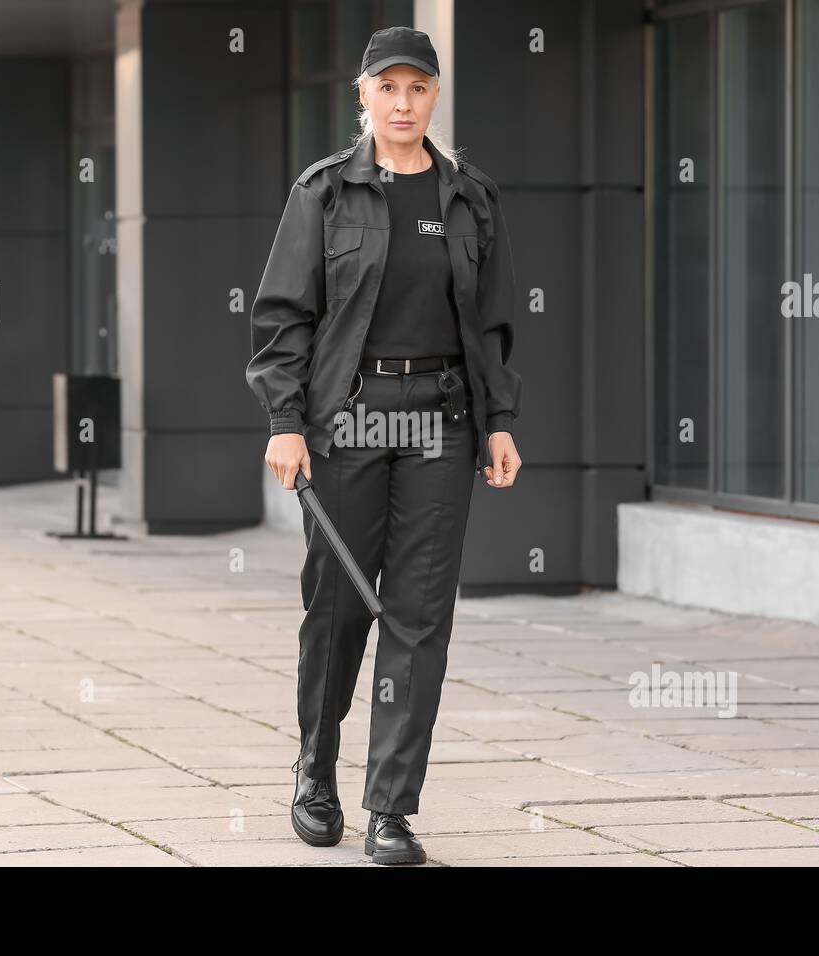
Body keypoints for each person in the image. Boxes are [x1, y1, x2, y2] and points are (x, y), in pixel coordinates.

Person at [245, 25, 523, 865]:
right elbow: (283, 315)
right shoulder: (324, 194)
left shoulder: (471, 196)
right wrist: (285, 421)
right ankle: (316, 771)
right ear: (361, 96)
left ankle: (392, 810)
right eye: (387, 88)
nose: (402, 103)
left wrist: (500, 419)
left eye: (418, 88)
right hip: (350, 417)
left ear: (435, 97)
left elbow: (496, 322)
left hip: (441, 416)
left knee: (419, 614)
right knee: (336, 606)